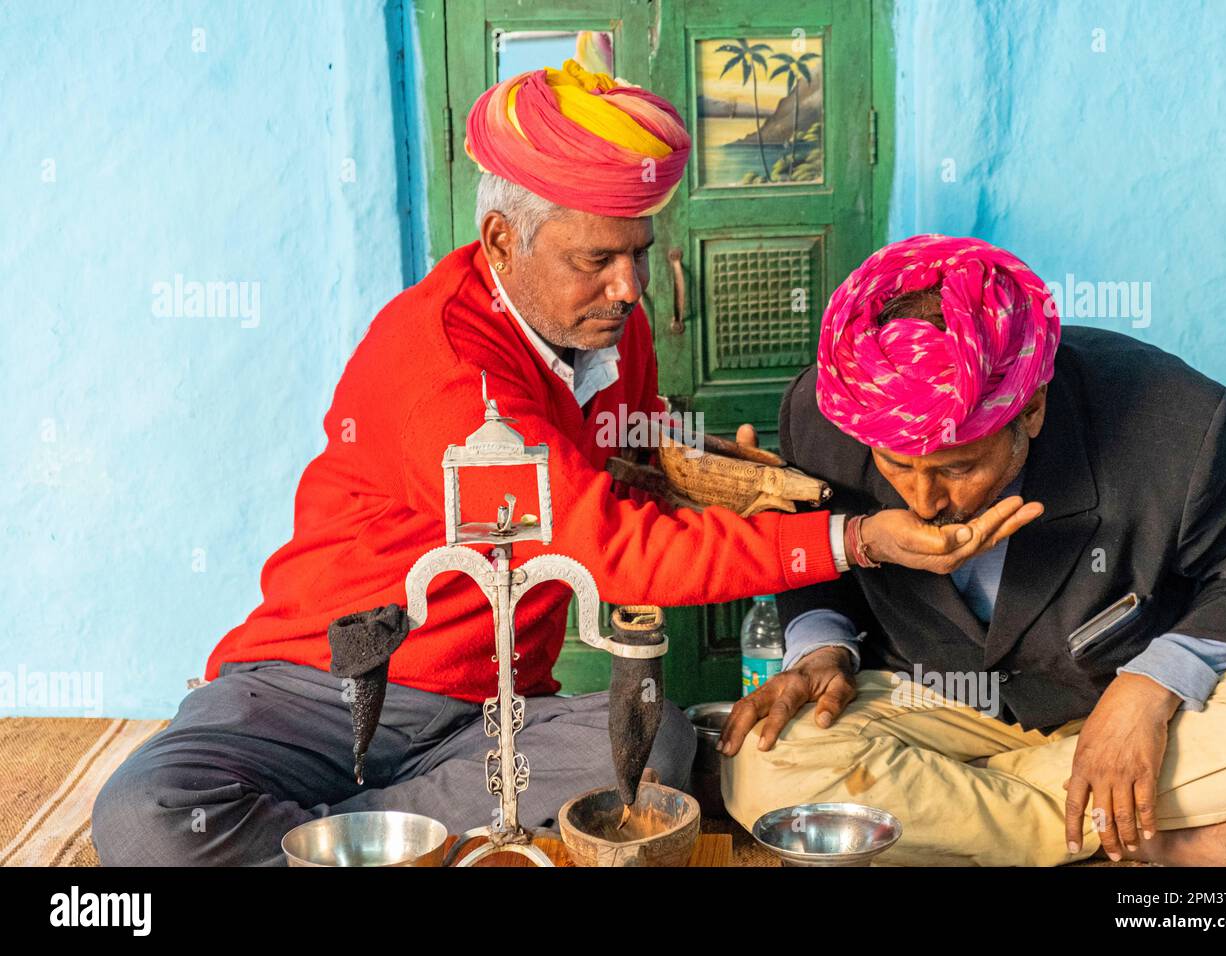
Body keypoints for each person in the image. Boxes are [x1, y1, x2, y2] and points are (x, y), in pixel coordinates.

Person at [91, 59, 895, 866]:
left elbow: (623, 455)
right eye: (597, 260)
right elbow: (609, 548)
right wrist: (853, 540)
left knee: (653, 748)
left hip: (491, 712)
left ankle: (353, 836)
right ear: (503, 240)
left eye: (639, 255)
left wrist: (711, 478)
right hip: (316, 689)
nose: (629, 286)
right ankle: (389, 832)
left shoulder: (608, 328)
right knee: (148, 816)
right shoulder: (440, 367)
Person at [720, 234, 1226, 866]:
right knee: (761, 766)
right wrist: (821, 649)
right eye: (895, 466)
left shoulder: (1181, 423)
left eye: (958, 467)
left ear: (1031, 409)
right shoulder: (830, 411)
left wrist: (1149, 689)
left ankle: (962, 816)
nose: (922, 501)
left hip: (1112, 692)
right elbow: (822, 565)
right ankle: (1128, 832)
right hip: (927, 697)